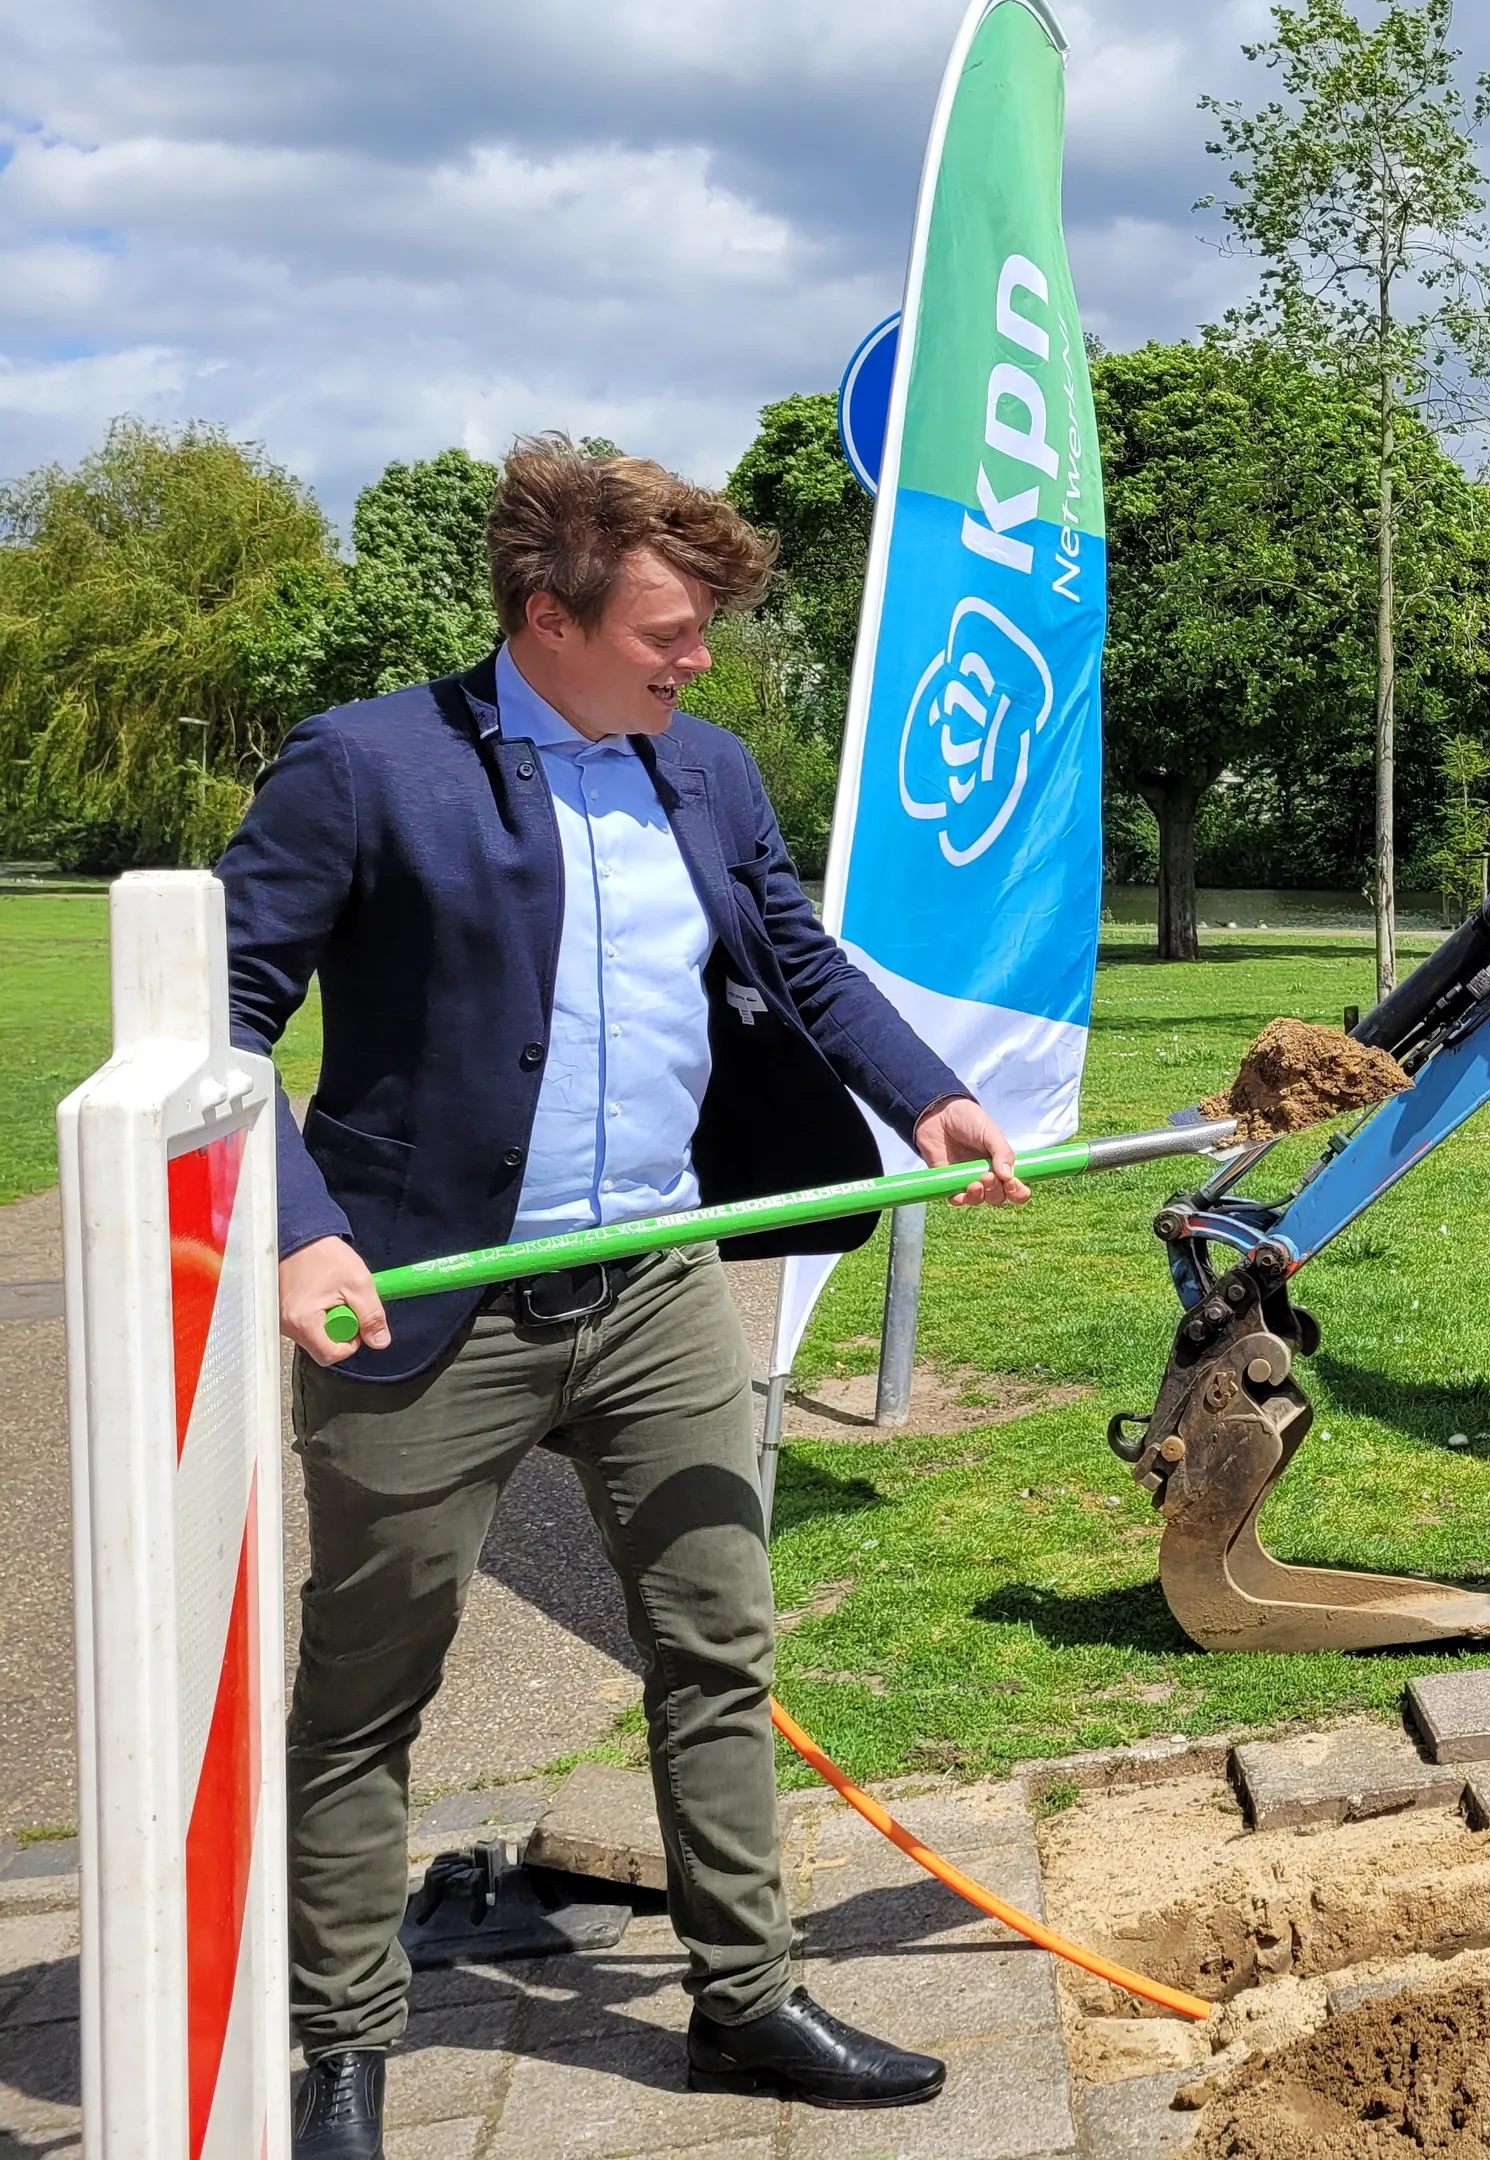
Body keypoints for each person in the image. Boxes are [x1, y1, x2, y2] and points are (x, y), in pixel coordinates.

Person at [221, 439, 1033, 2160]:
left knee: (716, 1644)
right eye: (670, 631)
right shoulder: (364, 766)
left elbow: (797, 958)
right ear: (548, 617)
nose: (699, 660)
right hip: (423, 1298)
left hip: (658, 1282)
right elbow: (217, 1017)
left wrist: (932, 1095)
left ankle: (746, 2001)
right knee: (370, 1685)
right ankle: (343, 2053)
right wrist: (297, 1231)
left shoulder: (708, 770)